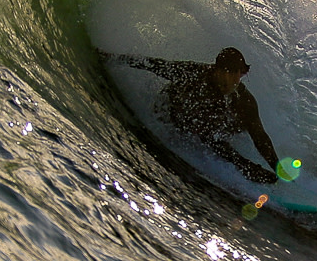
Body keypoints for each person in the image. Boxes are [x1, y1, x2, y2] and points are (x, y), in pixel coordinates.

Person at [101, 47, 281, 184]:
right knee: (207, 129)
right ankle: (243, 165)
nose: (229, 83)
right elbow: (153, 65)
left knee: (239, 123)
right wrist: (113, 58)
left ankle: (250, 168)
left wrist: (278, 169)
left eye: (235, 76)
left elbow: (260, 138)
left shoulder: (244, 101)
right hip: (175, 115)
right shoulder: (194, 73)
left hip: (205, 128)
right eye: (224, 76)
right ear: (216, 70)